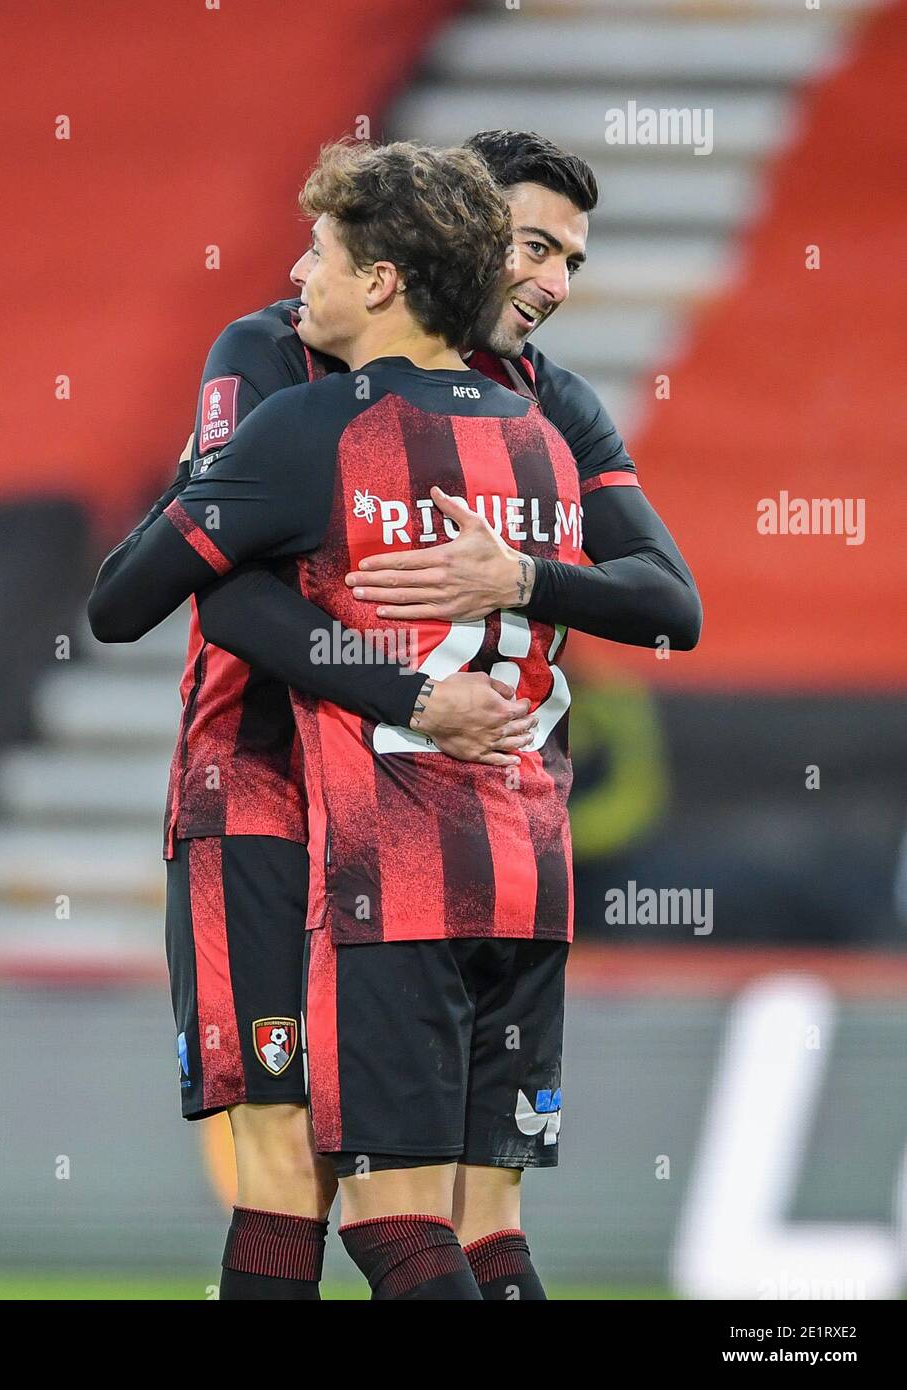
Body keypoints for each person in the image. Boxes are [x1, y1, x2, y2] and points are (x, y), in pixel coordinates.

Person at [89, 138, 700, 1300]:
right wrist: (417, 688)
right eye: (531, 246)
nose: (552, 282)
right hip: (272, 789)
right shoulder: (273, 350)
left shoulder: (544, 401)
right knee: (305, 1170)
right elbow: (228, 600)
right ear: (451, 241)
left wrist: (518, 576)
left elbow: (673, 600)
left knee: (425, 1197)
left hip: (421, 818)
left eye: (571, 258)